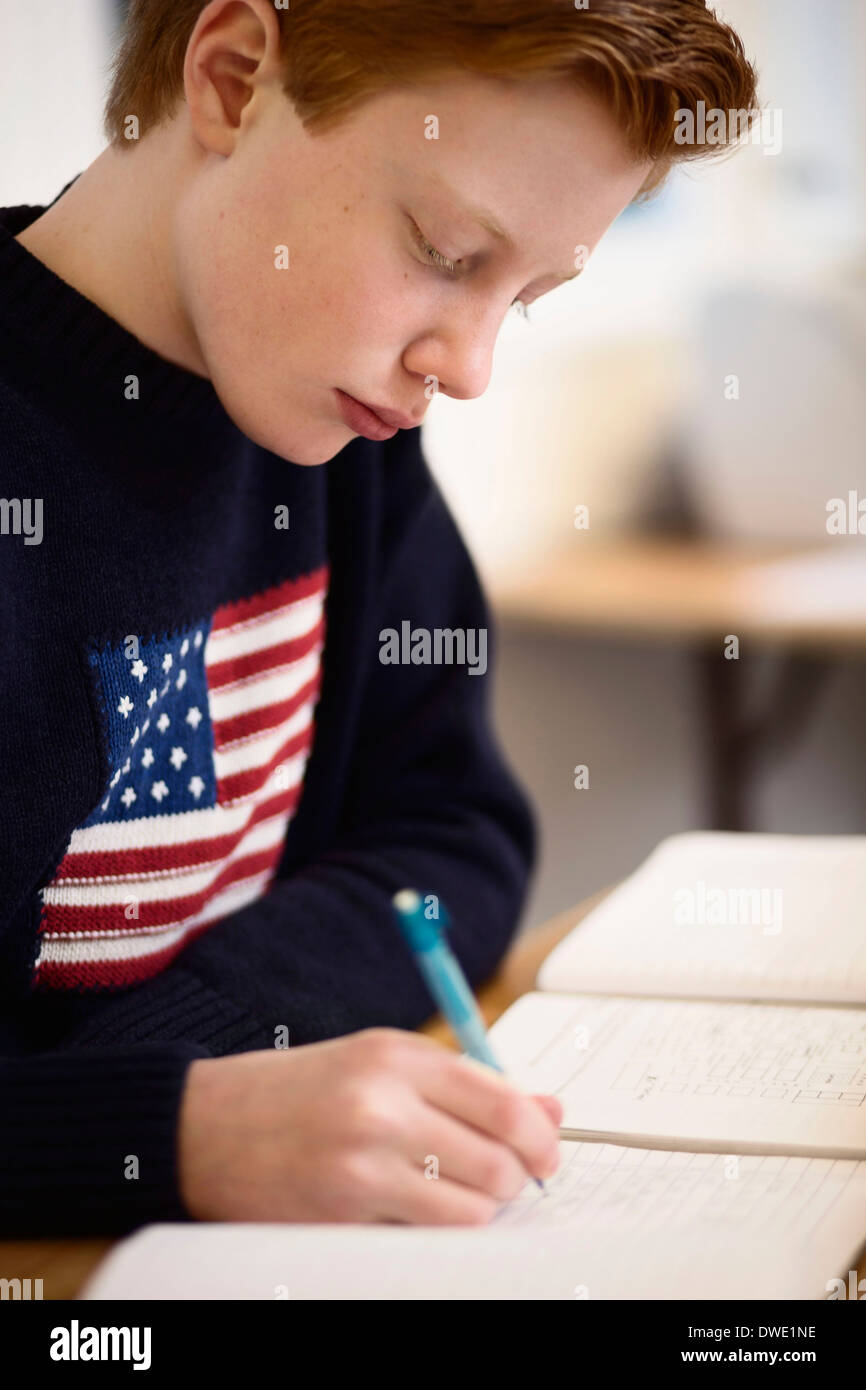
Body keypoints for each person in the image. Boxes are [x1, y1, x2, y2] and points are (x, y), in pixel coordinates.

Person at [0, 0, 757, 1234]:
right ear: (235, 77)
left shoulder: (327, 413)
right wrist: (166, 1122)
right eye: (448, 252)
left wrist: (199, 1057)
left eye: (526, 298)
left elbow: (453, 837)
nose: (466, 368)